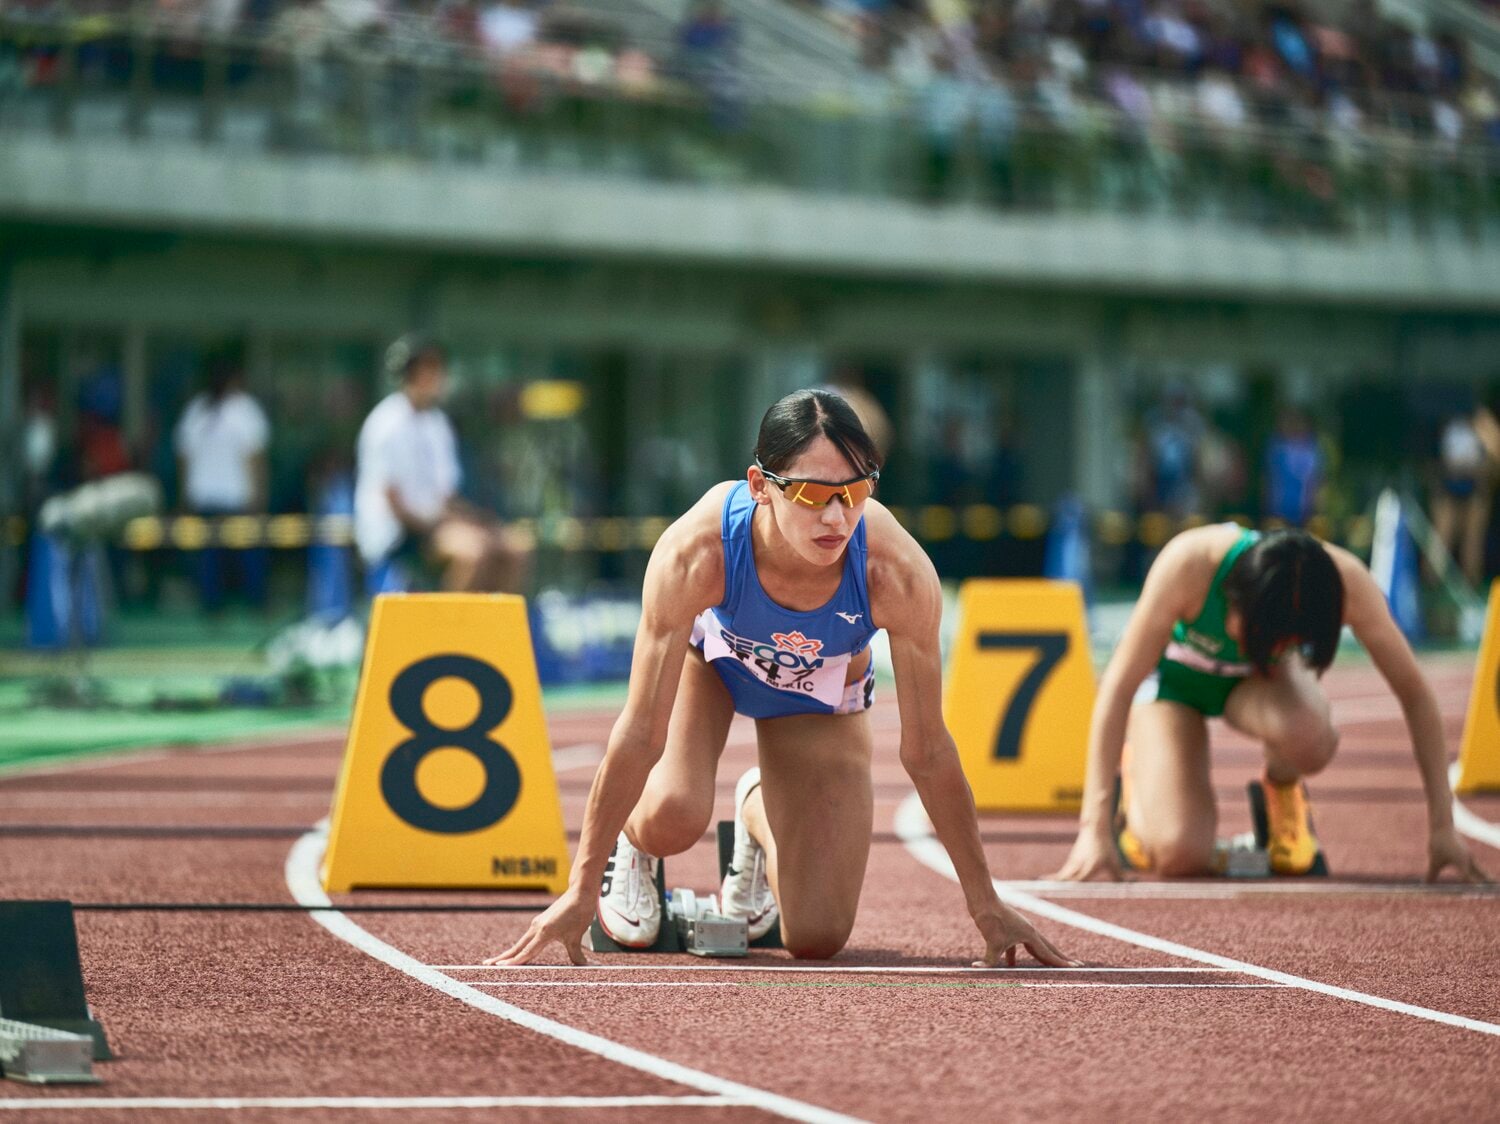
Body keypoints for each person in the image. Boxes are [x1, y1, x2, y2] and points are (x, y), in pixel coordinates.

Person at [488, 389, 1076, 966]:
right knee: (675, 814)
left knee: (817, 936)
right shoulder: (697, 553)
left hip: (824, 691)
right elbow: (640, 731)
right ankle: (634, 848)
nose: (836, 516)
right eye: (812, 494)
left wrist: (986, 904)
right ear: (760, 487)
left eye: (854, 492)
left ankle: (754, 812)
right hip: (716, 663)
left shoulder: (895, 573)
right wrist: (581, 888)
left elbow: (927, 751)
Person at [1053, 523, 1490, 883]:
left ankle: (1283, 811)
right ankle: (1136, 796)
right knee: (1180, 855)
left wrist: (1442, 827)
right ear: (1235, 592)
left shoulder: (1340, 584)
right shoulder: (1189, 563)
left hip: (1254, 687)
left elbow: (1414, 692)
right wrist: (1093, 829)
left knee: (1312, 733)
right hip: (1173, 689)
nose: (1233, 633)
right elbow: (1116, 687)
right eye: (1243, 623)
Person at [354, 335, 530, 595]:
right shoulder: (384, 424)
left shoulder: (438, 424)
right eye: (428, 369)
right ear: (408, 373)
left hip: (434, 527)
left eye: (437, 369)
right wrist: (444, 526)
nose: (436, 377)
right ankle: (445, 631)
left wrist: (479, 522)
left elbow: (446, 497)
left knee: (515, 547)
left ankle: (484, 632)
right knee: (473, 553)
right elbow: (395, 505)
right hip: (397, 536)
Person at [174, 355, 271, 612]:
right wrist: (259, 495)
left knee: (213, 557)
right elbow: (255, 458)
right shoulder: (242, 409)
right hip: (236, 497)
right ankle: (252, 605)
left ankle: (215, 608)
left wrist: (184, 495)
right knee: (240, 556)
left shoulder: (197, 409)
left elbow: (183, 458)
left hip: (206, 496)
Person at [1431, 398, 1500, 588]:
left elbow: (1494, 463)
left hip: (1475, 487)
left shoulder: (1486, 427)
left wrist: (1487, 433)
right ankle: (1433, 584)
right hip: (1449, 484)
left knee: (1472, 543)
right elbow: (1434, 463)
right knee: (1441, 540)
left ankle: (1470, 586)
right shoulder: (1447, 425)